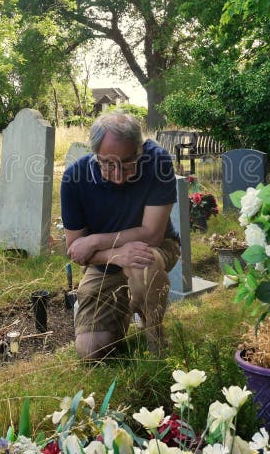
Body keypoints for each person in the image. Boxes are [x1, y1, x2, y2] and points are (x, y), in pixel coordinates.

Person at [61, 110, 179, 360]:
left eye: (126, 163)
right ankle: (123, 311)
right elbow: (76, 250)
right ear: (94, 154)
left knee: (142, 262)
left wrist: (95, 240)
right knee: (91, 351)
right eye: (107, 164)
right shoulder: (74, 178)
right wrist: (115, 255)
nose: (116, 175)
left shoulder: (157, 162)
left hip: (156, 249)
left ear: (140, 150)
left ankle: (155, 337)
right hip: (104, 264)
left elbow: (152, 234)